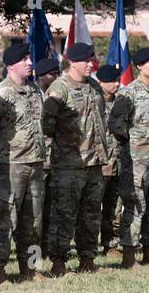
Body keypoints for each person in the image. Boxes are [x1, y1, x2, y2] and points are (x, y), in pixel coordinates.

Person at [41, 42, 107, 276]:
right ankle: (58, 262)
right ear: (72, 62)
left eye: (92, 60)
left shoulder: (95, 87)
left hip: (94, 163)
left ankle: (87, 260)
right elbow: (47, 126)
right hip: (69, 164)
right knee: (64, 214)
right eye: (86, 61)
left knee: (91, 214)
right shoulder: (60, 88)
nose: (91, 64)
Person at [109, 46, 149, 268]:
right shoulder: (128, 94)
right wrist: (134, 144)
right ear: (139, 66)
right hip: (135, 161)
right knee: (135, 206)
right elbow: (116, 125)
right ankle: (128, 254)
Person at [0, 42, 45, 282]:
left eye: (29, 58)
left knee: (34, 220)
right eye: (24, 60)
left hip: (35, 164)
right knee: (5, 219)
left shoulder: (35, 91)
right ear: (11, 65)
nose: (30, 63)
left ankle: (30, 269)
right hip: (9, 167)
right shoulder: (0, 95)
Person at [95, 64, 125, 257]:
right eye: (112, 81)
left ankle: (111, 244)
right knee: (90, 208)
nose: (117, 84)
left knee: (114, 208)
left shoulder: (122, 103)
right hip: (98, 165)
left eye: (118, 80)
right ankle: (86, 248)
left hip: (118, 164)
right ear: (101, 82)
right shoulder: (94, 102)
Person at [35, 54, 61, 255]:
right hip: (35, 162)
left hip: (56, 161)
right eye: (53, 74)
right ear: (42, 76)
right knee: (34, 211)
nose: (57, 78)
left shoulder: (59, 95)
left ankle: (49, 247)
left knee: (53, 208)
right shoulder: (33, 96)